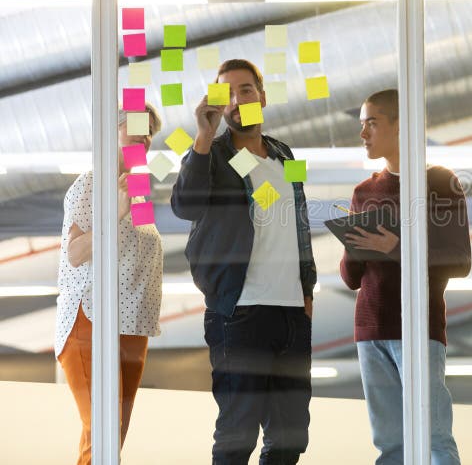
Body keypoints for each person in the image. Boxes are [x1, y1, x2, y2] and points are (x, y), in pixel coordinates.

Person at [171, 59, 316, 465]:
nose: (237, 100)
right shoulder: (211, 155)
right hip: (239, 311)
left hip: (291, 313)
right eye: (227, 93)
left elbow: (298, 222)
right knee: (238, 436)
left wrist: (307, 290)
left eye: (246, 90)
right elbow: (185, 205)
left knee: (290, 438)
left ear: (262, 97)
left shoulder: (285, 154)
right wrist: (203, 133)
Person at [339, 89, 471, 465]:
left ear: (401, 125)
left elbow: (460, 260)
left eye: (372, 123)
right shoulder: (364, 191)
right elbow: (350, 278)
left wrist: (394, 248)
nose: (363, 133)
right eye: (361, 124)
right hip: (370, 331)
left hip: (418, 327)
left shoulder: (441, 183)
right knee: (389, 446)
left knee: (435, 439)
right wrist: (352, 242)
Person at [56, 102, 164, 465]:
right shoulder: (91, 182)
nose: (145, 137)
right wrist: (114, 215)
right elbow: (74, 253)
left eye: (149, 131)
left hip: (133, 323)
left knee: (110, 437)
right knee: (103, 427)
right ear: (112, 132)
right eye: (136, 127)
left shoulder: (139, 190)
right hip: (92, 318)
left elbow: (145, 247)